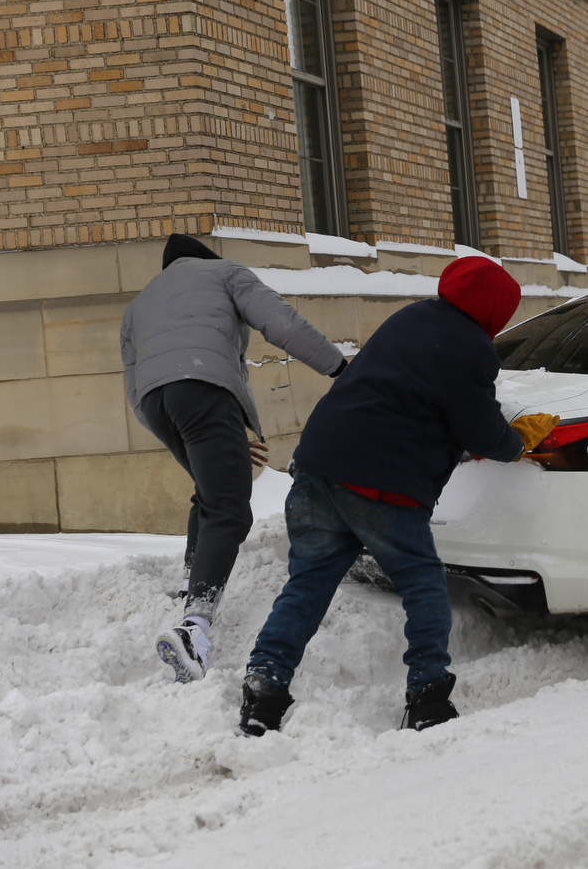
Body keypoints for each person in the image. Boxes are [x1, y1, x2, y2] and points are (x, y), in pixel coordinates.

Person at [240, 255, 558, 736]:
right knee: (423, 585)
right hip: (381, 482)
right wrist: (516, 442)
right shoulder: (471, 346)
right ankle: (428, 697)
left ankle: (264, 684)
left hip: (317, 465)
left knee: (307, 585)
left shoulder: (411, 318)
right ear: (494, 309)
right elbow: (479, 429)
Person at [121, 233, 347, 684]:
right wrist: (339, 367)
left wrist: (191, 426)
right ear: (205, 257)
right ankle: (193, 630)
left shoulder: (140, 303)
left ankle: (191, 579)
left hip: (155, 403)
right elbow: (280, 322)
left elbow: (133, 378)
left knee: (210, 492)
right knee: (229, 508)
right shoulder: (225, 272)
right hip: (202, 386)